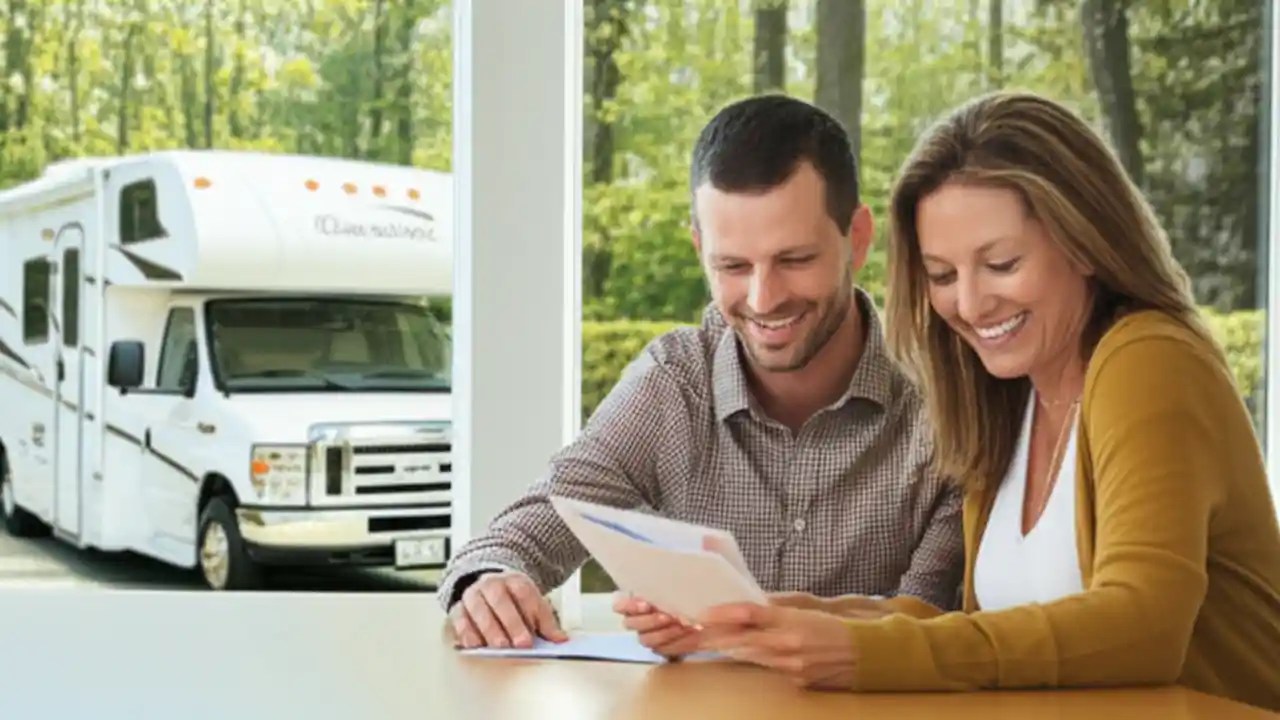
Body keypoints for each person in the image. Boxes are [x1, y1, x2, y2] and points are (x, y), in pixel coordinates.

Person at [684, 91, 1280, 712]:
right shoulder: (1007, 395)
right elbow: (987, 627)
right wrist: (783, 619)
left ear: (1084, 242)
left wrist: (862, 652)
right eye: (943, 276)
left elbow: (1143, 626)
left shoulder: (1149, 359)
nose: (969, 306)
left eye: (1000, 264)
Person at [441, 94, 965, 651]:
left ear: (857, 238)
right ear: (699, 247)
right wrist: (491, 581)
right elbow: (533, 523)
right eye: (732, 265)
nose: (763, 299)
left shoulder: (944, 406)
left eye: (794, 260)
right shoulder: (674, 383)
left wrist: (745, 626)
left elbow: (924, 629)